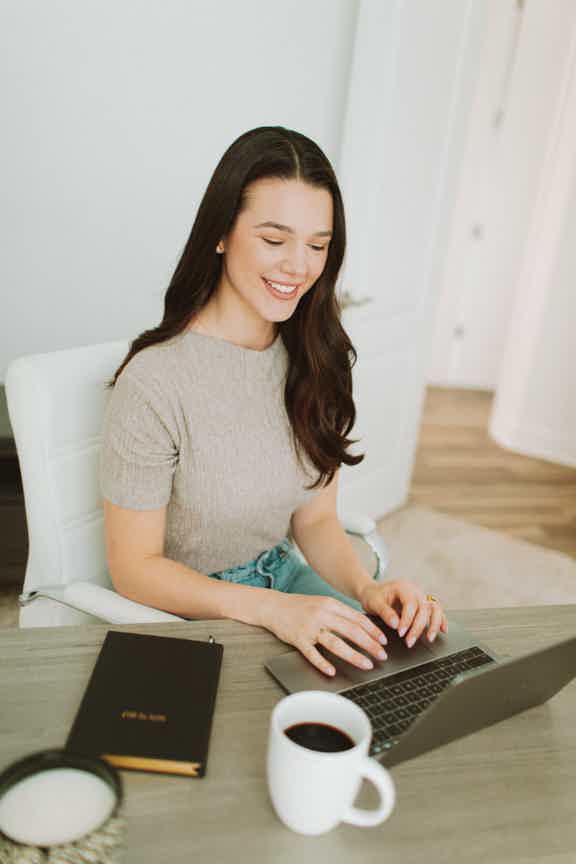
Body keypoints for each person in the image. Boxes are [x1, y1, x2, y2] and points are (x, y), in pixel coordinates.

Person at [100, 125, 447, 678]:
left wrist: (367, 587)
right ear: (220, 234)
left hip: (283, 580)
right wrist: (273, 610)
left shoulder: (314, 358)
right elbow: (134, 569)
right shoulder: (155, 383)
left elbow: (316, 521)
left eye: (317, 245)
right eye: (273, 239)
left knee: (404, 677)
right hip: (194, 612)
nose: (298, 266)